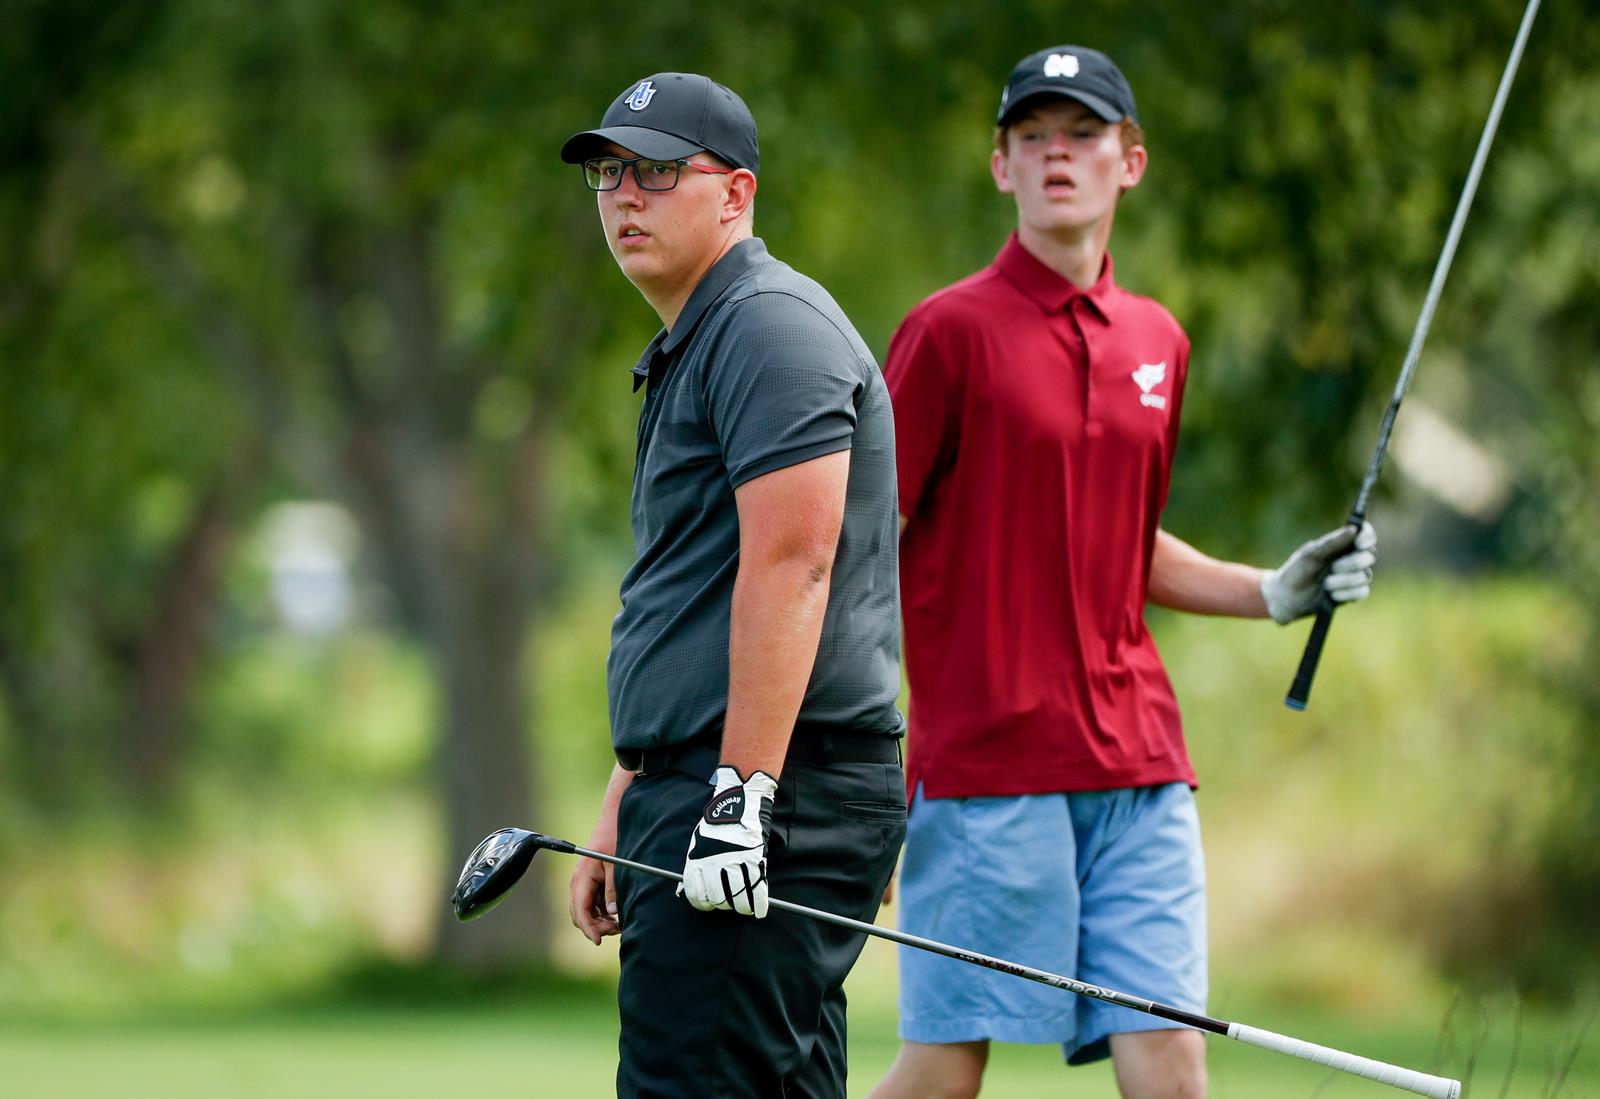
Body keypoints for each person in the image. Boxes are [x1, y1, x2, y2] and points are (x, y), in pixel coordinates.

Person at [865, 46, 1378, 1099]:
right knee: (943, 1072)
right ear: (1000, 166)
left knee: (1173, 1068)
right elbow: (861, 540)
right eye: (1032, 137)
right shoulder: (944, 333)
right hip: (983, 769)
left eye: (1084, 135)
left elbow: (1117, 539)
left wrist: (1272, 590)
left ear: (1129, 162)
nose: (1059, 154)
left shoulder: (1158, 341)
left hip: (1138, 763)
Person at [559, 72, 908, 1099]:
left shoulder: (768, 327)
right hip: (717, 781)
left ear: (736, 192)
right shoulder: (700, 339)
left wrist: (738, 797)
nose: (624, 194)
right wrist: (632, 789)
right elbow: (699, 595)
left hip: (773, 789)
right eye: (608, 173)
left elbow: (793, 563)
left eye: (659, 170)